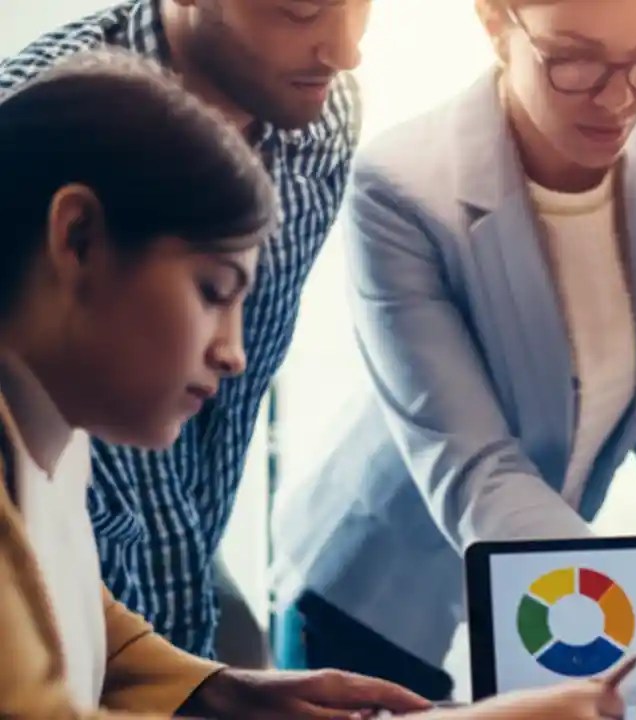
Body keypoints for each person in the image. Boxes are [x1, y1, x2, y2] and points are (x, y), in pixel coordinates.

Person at [0, 49, 636, 720]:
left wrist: (219, 689)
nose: (233, 355)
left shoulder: (45, 424)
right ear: (76, 237)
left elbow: (68, 601)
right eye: (212, 291)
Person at [269, 0, 636, 699]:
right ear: (492, 20)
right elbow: (477, 467)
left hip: (549, 582)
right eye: (574, 60)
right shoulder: (401, 187)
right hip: (380, 603)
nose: (617, 99)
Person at [0, 0, 366, 658]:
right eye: (303, 8)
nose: (346, 51)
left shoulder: (320, 113)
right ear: (77, 238)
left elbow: (221, 406)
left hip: (162, 572)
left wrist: (206, 685)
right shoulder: (38, 121)